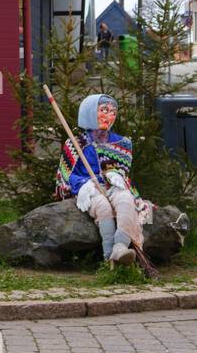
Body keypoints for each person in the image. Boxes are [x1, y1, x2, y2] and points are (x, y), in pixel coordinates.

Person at [54, 93, 154, 266]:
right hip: (89, 188)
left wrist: (116, 174)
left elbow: (123, 170)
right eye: (104, 110)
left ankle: (120, 248)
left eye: (113, 112)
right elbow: (66, 175)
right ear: (90, 112)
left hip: (112, 184)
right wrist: (83, 184)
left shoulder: (122, 143)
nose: (109, 116)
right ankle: (109, 256)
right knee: (102, 206)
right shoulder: (75, 143)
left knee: (125, 199)